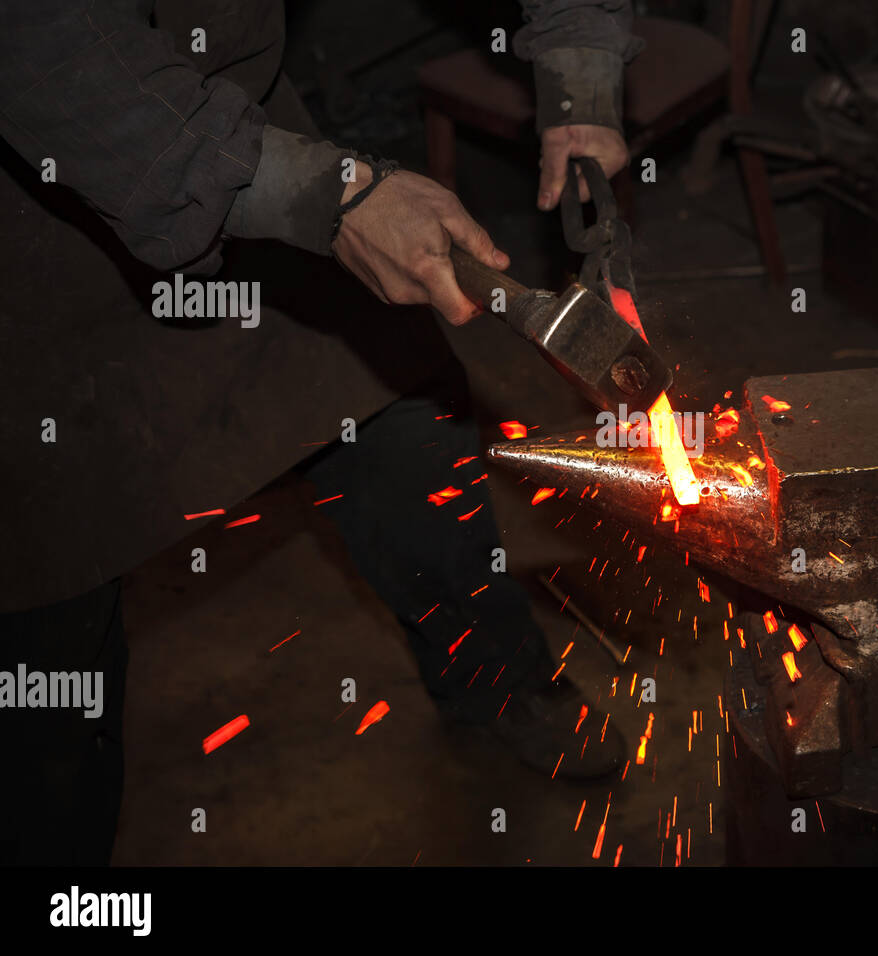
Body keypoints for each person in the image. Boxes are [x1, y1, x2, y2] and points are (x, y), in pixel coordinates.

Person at [0, 0, 643, 865]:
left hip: (246, 142)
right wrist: (327, 195)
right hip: (36, 238)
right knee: (43, 628)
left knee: (405, 431)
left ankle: (496, 675)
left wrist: (580, 65)